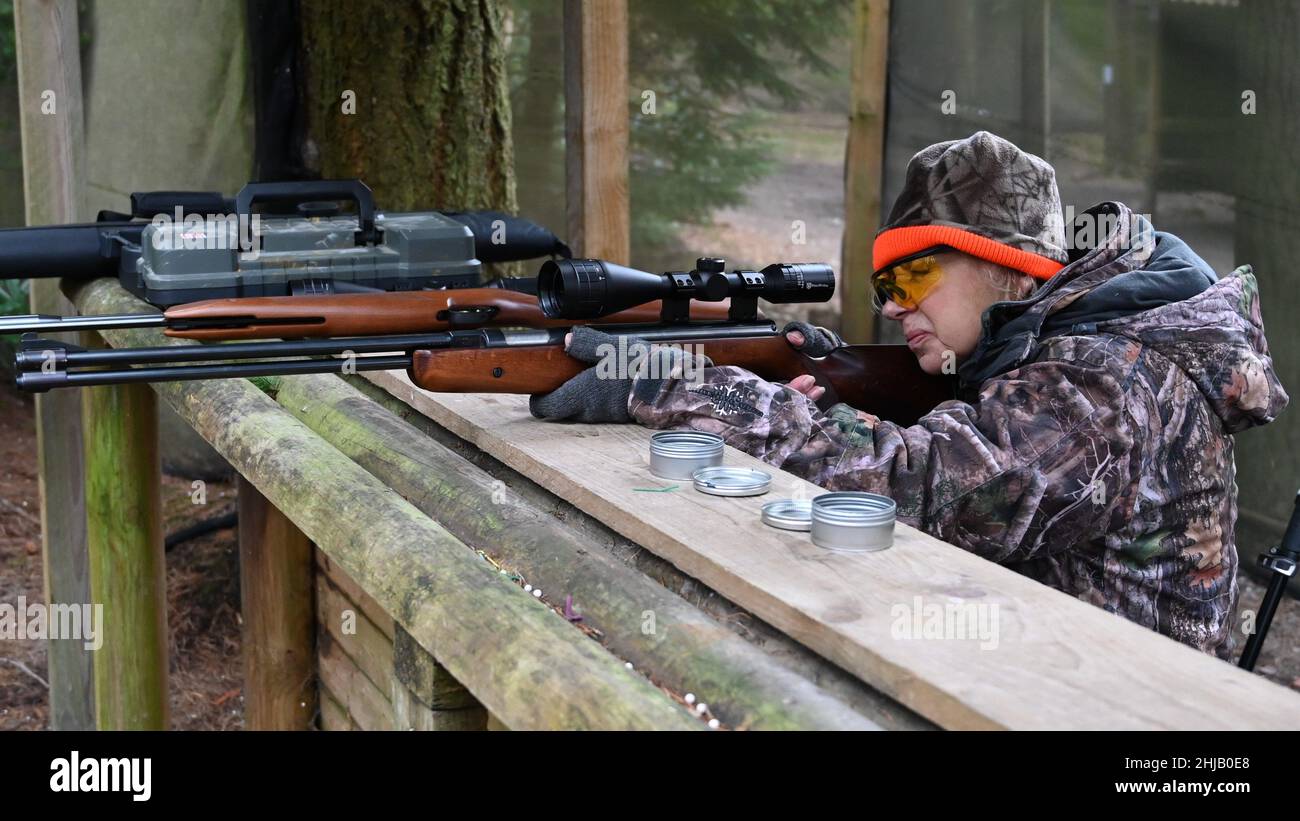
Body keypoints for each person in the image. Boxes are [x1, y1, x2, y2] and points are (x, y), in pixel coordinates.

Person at [529, 131, 1288, 659]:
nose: (892, 307)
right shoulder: (1060, 348)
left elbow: (913, 487)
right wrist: (822, 402)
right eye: (884, 285)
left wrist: (691, 387)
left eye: (915, 277)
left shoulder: (1106, 379)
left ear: (1009, 268)